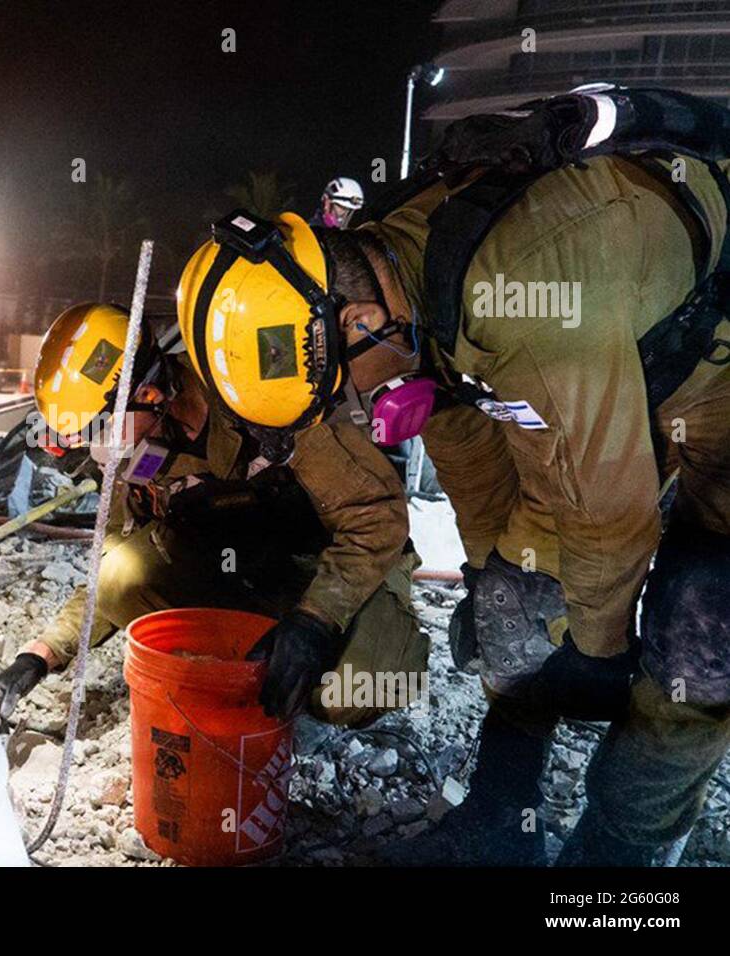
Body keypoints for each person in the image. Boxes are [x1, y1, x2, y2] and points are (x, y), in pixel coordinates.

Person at [175, 86, 730, 865]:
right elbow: (483, 479)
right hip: (614, 369)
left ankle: (621, 863)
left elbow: (608, 514)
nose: (358, 409)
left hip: (713, 384)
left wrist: (599, 656)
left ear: (356, 322)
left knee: (699, 633)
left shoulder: (519, 303)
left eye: (347, 393)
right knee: (513, 601)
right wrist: (489, 582)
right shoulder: (406, 296)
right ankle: (501, 822)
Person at [0, 302, 426, 727]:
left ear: (148, 392)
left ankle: (334, 652)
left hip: (341, 559)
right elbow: (112, 565)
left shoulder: (262, 393)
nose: (94, 445)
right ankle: (255, 652)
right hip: (248, 569)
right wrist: (41, 654)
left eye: (97, 427)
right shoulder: (135, 451)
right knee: (121, 574)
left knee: (356, 688)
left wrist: (315, 619)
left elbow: (375, 516)